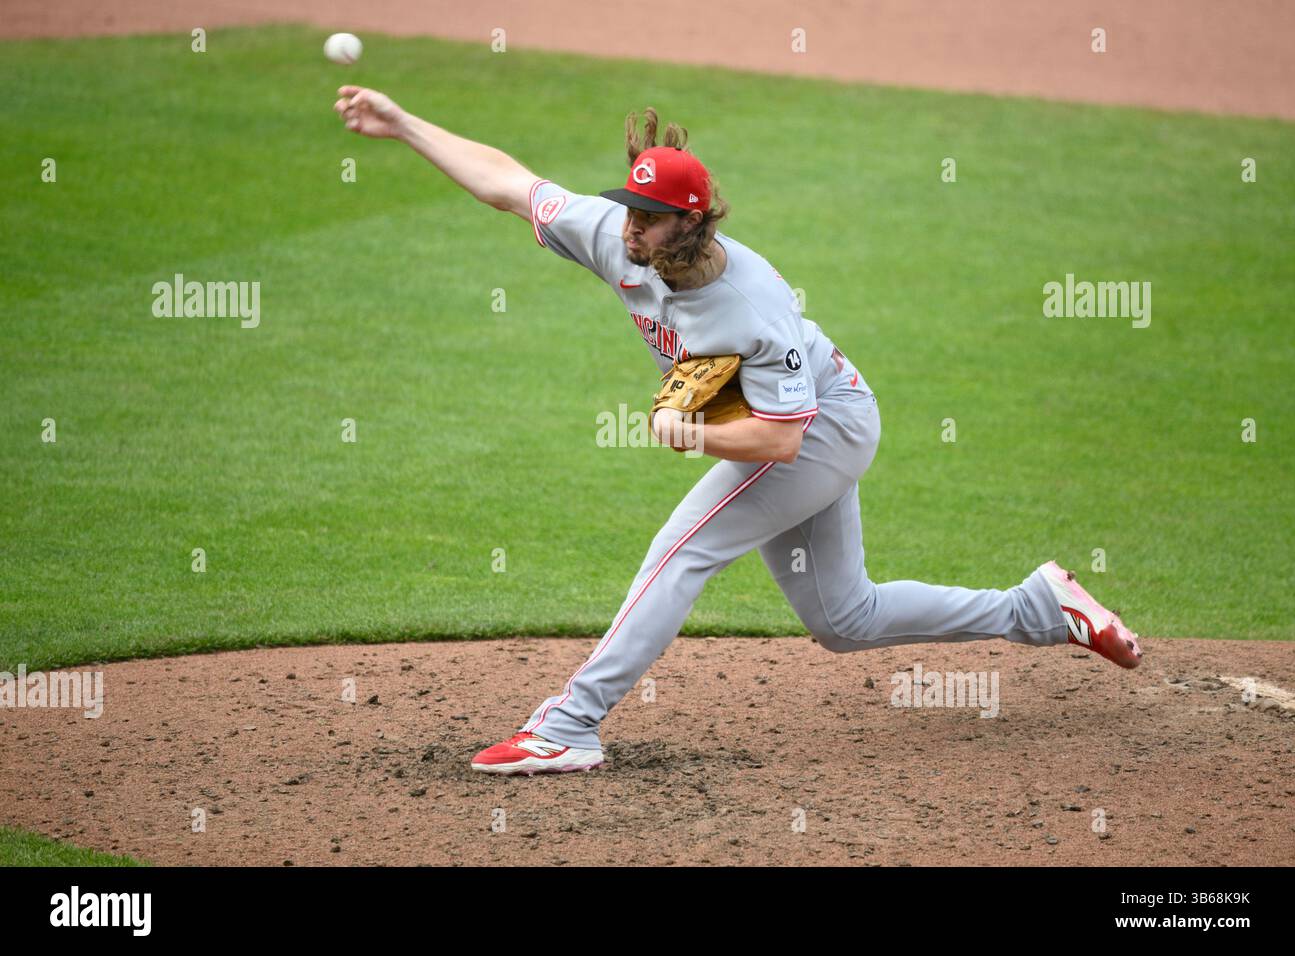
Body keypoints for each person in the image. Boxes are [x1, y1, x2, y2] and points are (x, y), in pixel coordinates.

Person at [332, 87, 1143, 777]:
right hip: (796, 427)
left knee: (683, 550)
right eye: (627, 211)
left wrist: (689, 437)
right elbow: (510, 184)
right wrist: (404, 123)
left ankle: (568, 727)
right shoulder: (620, 239)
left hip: (820, 427)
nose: (627, 229)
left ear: (687, 228)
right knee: (844, 619)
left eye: (646, 220)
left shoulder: (753, 309)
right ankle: (1038, 608)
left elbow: (780, 442)